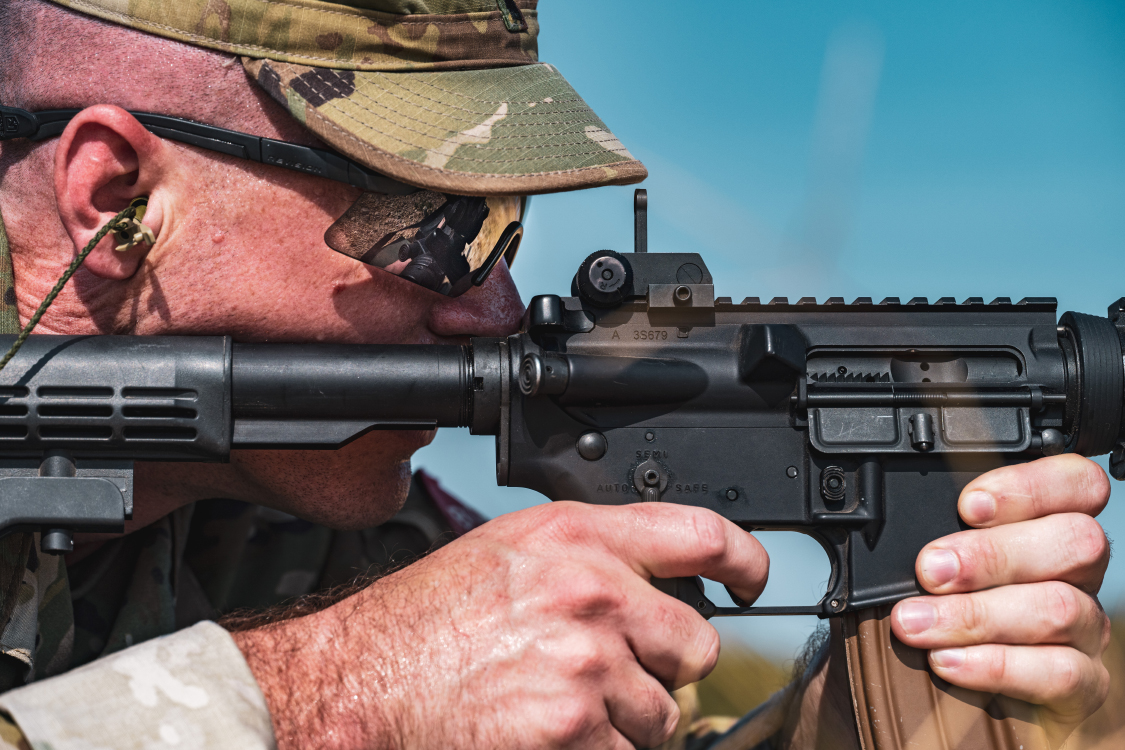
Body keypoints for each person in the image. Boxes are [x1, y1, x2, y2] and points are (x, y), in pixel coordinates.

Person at [0, 1, 1112, 748]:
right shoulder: (367, 608)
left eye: (507, 227)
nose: (494, 305)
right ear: (116, 195)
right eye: (435, 227)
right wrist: (331, 698)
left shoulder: (336, 544)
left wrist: (875, 711)